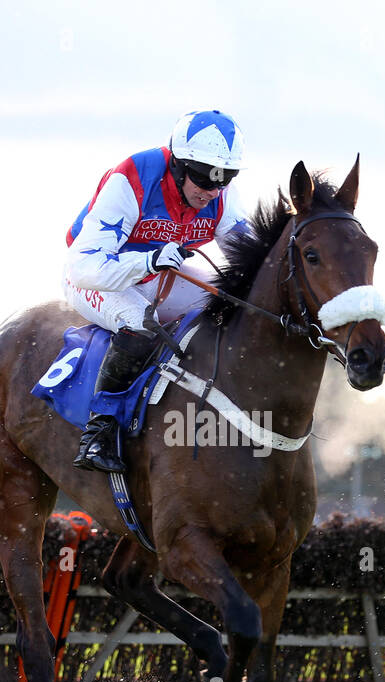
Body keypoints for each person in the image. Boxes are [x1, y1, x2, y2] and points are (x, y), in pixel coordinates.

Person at [63, 109, 250, 473]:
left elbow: (253, 265)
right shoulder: (133, 177)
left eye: (224, 179)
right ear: (177, 165)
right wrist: (147, 262)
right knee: (141, 325)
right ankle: (99, 430)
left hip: (156, 274)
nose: (211, 191)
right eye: (203, 178)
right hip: (95, 276)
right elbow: (82, 267)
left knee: (232, 307)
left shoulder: (220, 193)